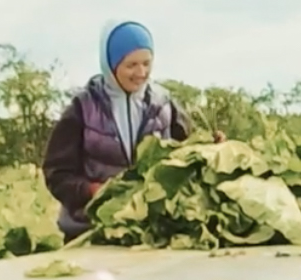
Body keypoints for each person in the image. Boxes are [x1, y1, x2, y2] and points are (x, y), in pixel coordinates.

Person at [42, 19, 190, 239]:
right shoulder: (82, 108)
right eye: (131, 65)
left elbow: (188, 157)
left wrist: (214, 149)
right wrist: (91, 191)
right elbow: (57, 174)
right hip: (91, 231)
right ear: (111, 65)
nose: (141, 72)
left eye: (147, 63)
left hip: (151, 231)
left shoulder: (164, 105)